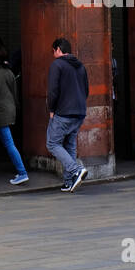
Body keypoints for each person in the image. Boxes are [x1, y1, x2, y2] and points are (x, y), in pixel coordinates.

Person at [46, 37, 89, 192]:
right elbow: (86, 90)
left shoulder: (57, 65)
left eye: (53, 51)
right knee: (69, 144)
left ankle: (76, 170)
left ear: (58, 49)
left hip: (63, 112)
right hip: (79, 112)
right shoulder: (81, 66)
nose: (53, 55)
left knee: (52, 143)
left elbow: (52, 91)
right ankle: (69, 182)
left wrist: (51, 109)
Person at [0, 49, 28, 186]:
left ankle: (22, 173)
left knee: (8, 143)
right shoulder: (9, 73)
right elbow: (15, 93)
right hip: (10, 109)